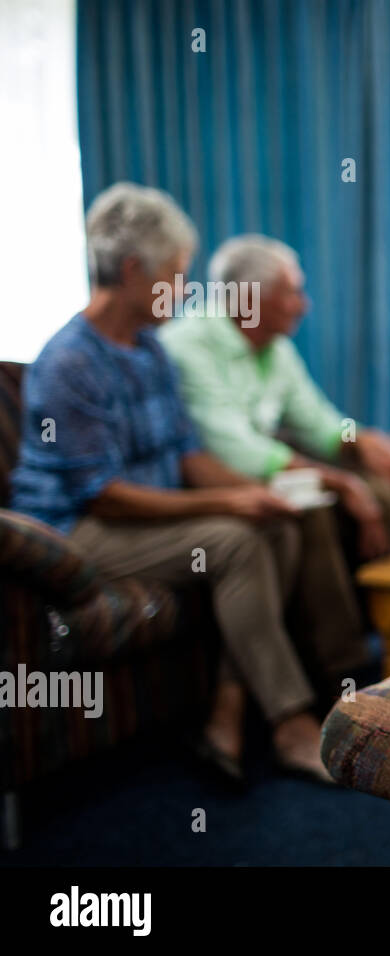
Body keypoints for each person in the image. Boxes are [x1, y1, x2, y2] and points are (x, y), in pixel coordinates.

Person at [8, 183, 341, 785]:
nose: (186, 290)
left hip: (135, 520)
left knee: (274, 528)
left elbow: (187, 455)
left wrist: (252, 494)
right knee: (237, 537)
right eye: (176, 275)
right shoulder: (70, 362)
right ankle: (291, 725)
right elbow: (102, 493)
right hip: (73, 535)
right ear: (134, 271)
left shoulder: (151, 352)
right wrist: (229, 500)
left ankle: (228, 712)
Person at [158, 234, 390, 566]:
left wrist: (362, 440)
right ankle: (348, 618)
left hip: (259, 469)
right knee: (310, 508)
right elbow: (236, 451)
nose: (304, 305)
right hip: (212, 478)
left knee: (377, 485)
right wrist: (340, 482)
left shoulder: (275, 347)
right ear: (250, 298)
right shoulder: (188, 345)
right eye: (291, 292)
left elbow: (315, 419)